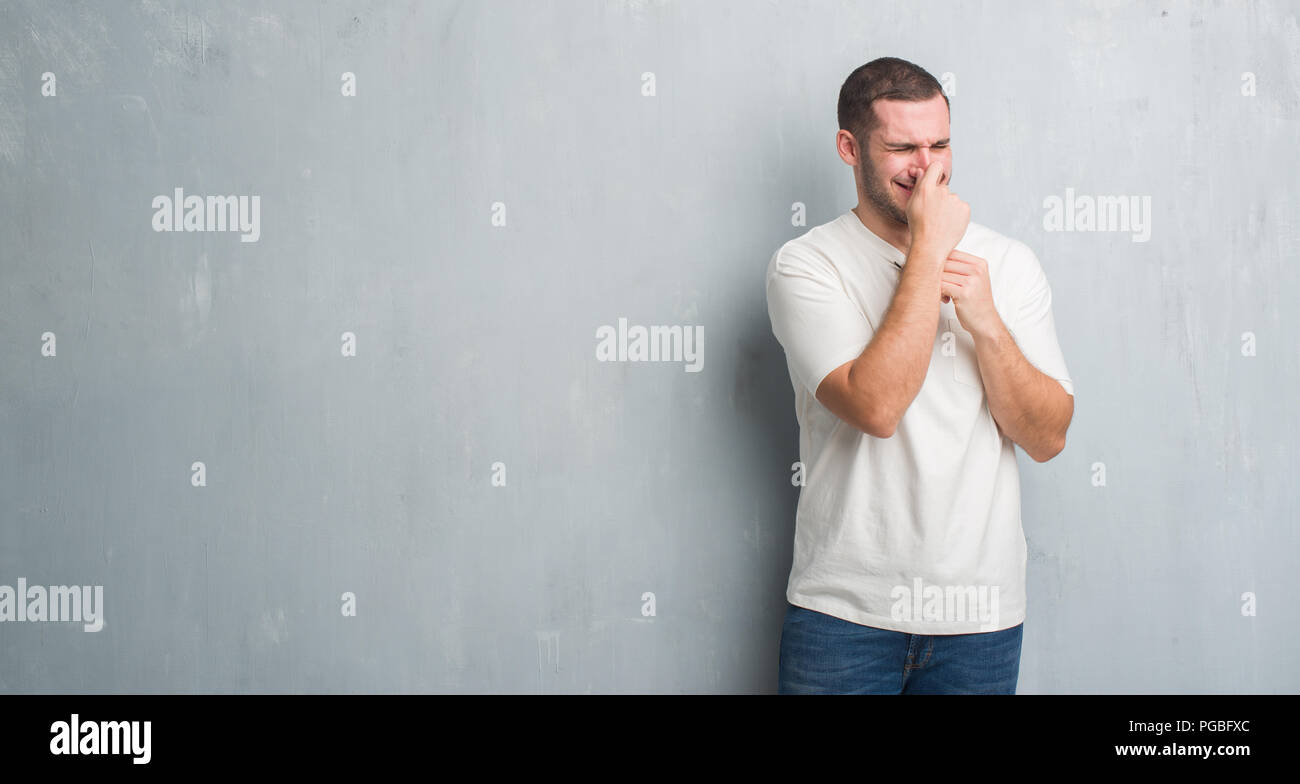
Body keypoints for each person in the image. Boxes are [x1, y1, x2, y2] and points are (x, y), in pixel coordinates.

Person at [766, 57, 1075, 694]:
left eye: (940, 144)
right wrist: (930, 251)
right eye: (902, 147)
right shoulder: (806, 265)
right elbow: (874, 408)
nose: (927, 166)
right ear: (849, 148)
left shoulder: (1010, 265)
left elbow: (1047, 438)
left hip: (980, 619)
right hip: (845, 616)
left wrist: (987, 323)